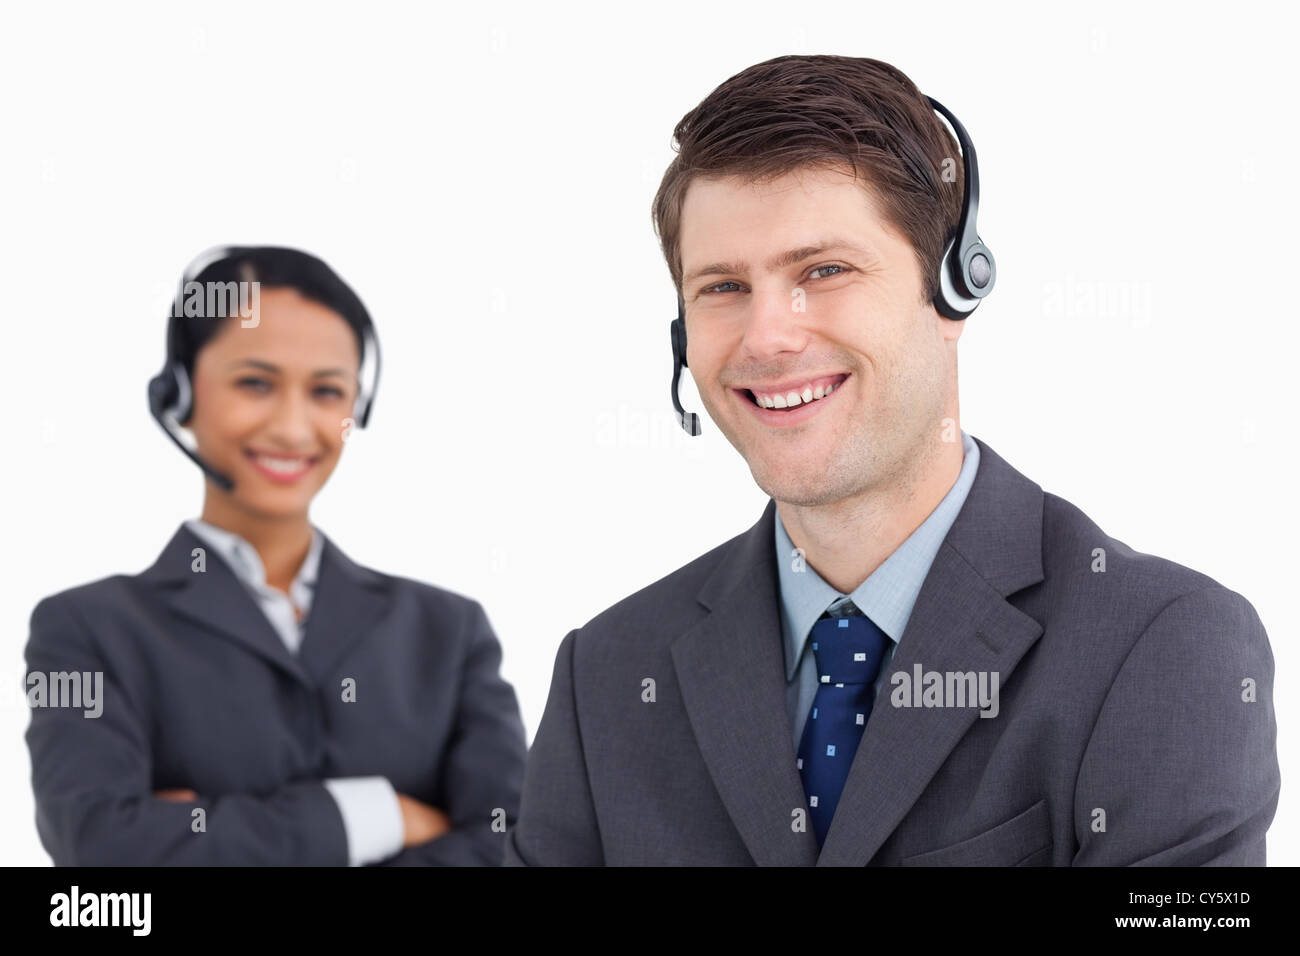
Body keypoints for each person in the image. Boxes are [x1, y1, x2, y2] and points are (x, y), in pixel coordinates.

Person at [504, 55, 1280, 866]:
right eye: (723, 287)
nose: (768, 335)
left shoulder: (1164, 650)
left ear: (954, 290)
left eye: (824, 271)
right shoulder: (606, 676)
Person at [25, 245, 527, 865]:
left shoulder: (450, 632)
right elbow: (100, 846)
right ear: (179, 395)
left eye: (326, 391)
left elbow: (513, 848)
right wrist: (379, 816)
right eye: (255, 383)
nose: (292, 427)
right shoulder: (82, 631)